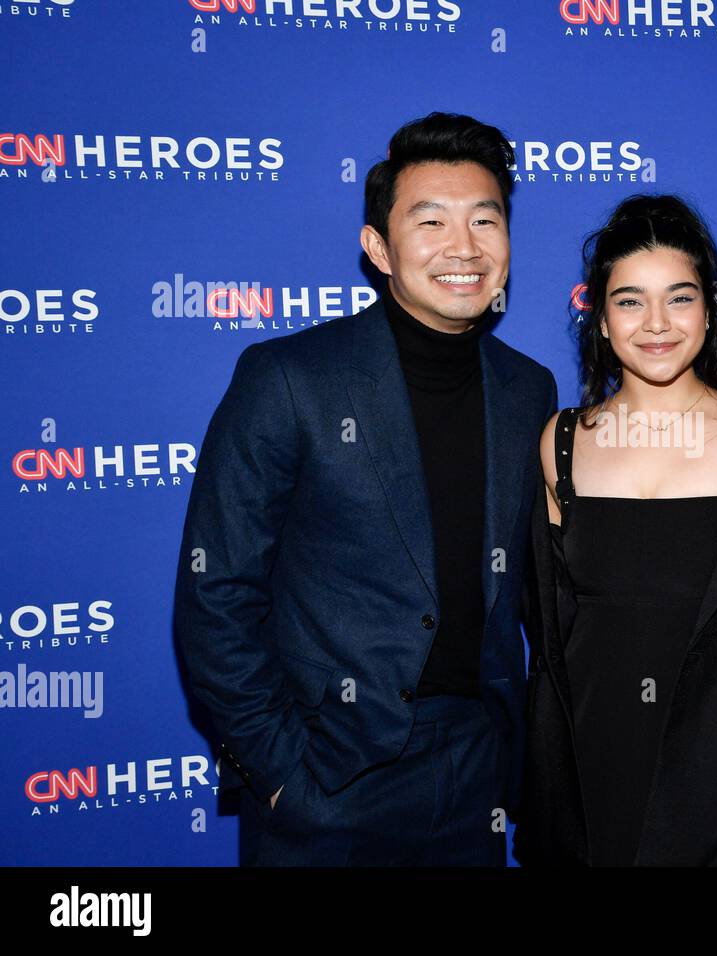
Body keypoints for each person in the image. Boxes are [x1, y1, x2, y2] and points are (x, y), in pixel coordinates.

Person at [173, 112, 557, 866]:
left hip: (476, 776)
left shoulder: (528, 390)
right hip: (329, 775)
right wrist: (281, 774)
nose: (464, 247)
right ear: (378, 248)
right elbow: (215, 593)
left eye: (487, 219)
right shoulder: (289, 379)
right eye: (431, 221)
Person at [515, 194, 717, 866]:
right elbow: (551, 634)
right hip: (592, 769)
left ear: (709, 309)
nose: (657, 324)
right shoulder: (560, 442)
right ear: (601, 319)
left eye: (679, 297)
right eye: (630, 301)